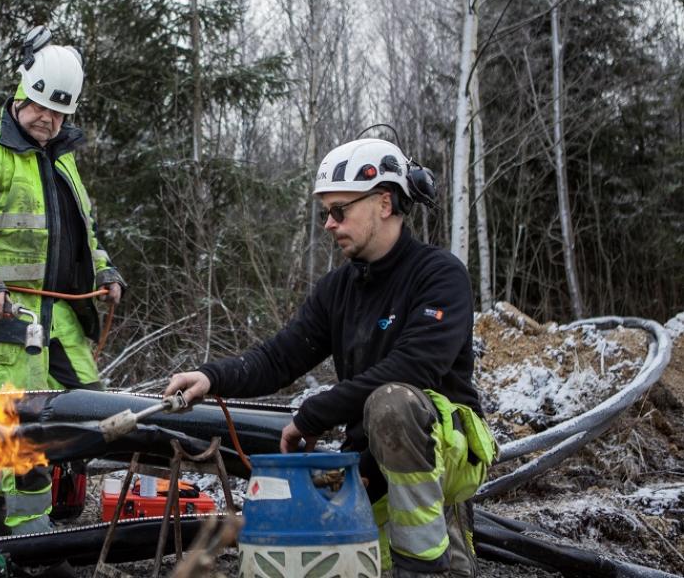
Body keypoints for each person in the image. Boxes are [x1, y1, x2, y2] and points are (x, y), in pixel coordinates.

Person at [165, 138, 497, 578]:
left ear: (383, 202)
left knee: (392, 401)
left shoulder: (439, 275)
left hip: (445, 450)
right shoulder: (338, 289)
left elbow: (414, 368)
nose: (328, 224)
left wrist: (314, 414)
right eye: (325, 212)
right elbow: (281, 357)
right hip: (369, 460)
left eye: (339, 211)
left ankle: (426, 566)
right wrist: (210, 377)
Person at [0, 26, 126, 537]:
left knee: (90, 410)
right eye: (40, 107)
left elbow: (85, 232)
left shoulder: (61, 159)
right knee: (26, 422)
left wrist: (104, 270)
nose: (48, 119)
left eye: (59, 113)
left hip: (59, 316)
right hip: (6, 314)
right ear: (21, 94)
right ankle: (31, 539)